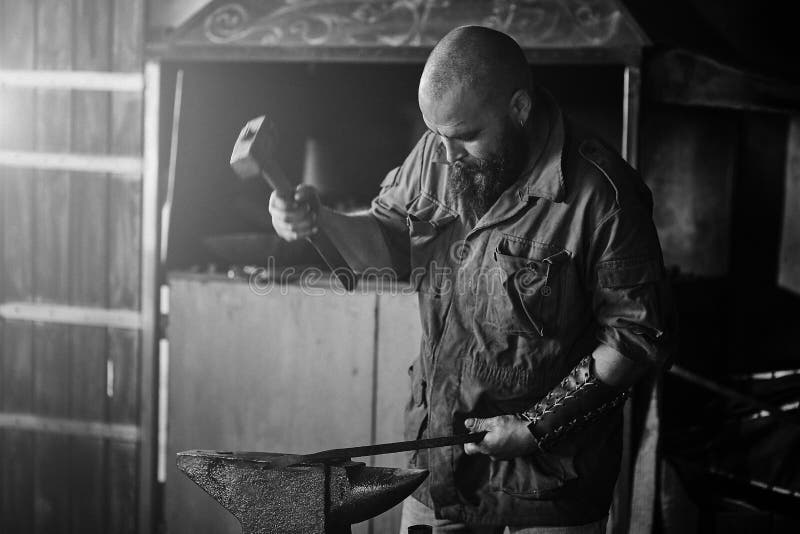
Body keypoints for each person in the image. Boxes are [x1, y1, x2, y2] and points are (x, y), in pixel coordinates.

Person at [269, 25, 673, 534]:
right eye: (435, 134)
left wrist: (535, 427)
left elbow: (635, 338)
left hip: (547, 487)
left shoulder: (603, 197)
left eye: (463, 136)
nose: (445, 154)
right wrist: (318, 221)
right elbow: (386, 242)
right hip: (435, 465)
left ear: (520, 109)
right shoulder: (438, 149)